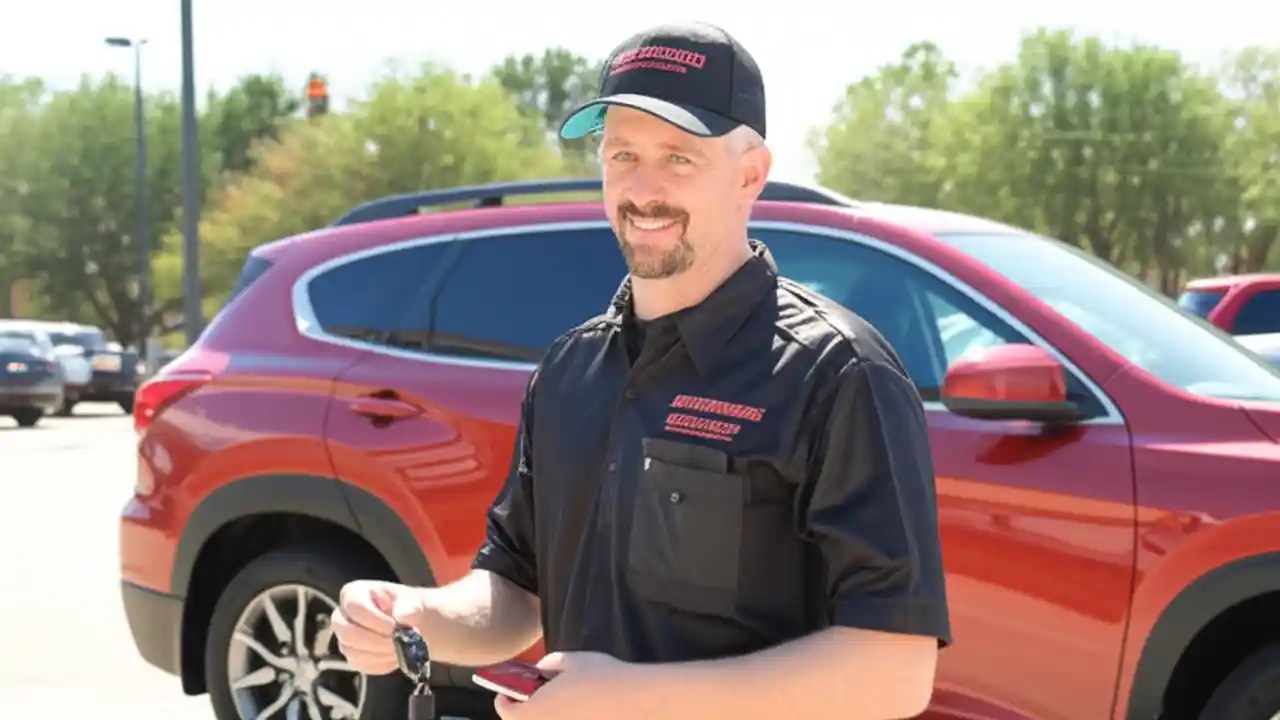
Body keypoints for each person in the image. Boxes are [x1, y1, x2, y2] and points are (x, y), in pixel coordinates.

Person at [332, 20, 951, 720]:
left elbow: (895, 674)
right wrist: (415, 614)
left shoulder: (840, 375)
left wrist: (635, 700)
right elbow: (516, 592)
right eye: (622, 154)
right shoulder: (570, 370)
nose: (643, 188)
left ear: (750, 174)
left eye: (679, 158)